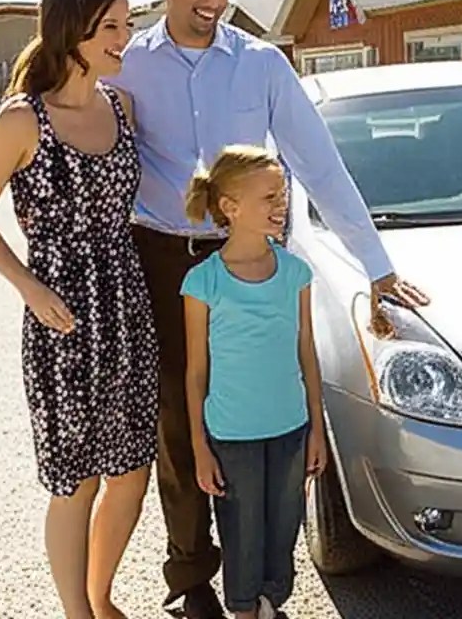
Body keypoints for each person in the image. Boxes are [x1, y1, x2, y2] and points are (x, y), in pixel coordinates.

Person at [105, 0, 428, 617]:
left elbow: (319, 164)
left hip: (253, 262)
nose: (214, 1)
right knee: (178, 416)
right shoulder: (128, 65)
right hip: (163, 260)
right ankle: (192, 579)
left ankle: (261, 577)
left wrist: (375, 264)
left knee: (268, 414)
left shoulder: (261, 64)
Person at [0, 0, 156, 619]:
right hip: (62, 322)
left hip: (128, 311)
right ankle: (77, 611)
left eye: (127, 26)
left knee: (131, 472)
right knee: (77, 479)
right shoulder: (23, 120)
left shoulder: (122, 107)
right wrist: (28, 286)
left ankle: (100, 597)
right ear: (71, 31)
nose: (123, 40)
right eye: (110, 28)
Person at [180, 145, 326, 619]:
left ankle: (269, 603)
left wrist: (317, 431)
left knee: (284, 528)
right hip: (232, 436)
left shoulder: (296, 274)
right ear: (230, 207)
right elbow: (195, 372)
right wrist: (200, 448)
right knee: (241, 531)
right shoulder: (203, 283)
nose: (280, 205)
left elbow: (308, 355)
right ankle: (245, 609)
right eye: (269, 196)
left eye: (282, 194)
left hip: (290, 430)